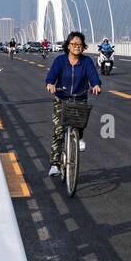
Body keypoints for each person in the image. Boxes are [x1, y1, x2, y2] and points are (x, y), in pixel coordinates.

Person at [44, 31, 102, 176]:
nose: (77, 47)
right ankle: (55, 164)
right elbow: (51, 76)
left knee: (80, 122)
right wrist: (50, 84)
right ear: (68, 46)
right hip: (61, 99)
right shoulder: (60, 61)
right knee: (58, 130)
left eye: (80, 44)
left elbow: (93, 76)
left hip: (79, 98)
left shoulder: (86, 61)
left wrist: (95, 85)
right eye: (74, 44)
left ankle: (79, 136)